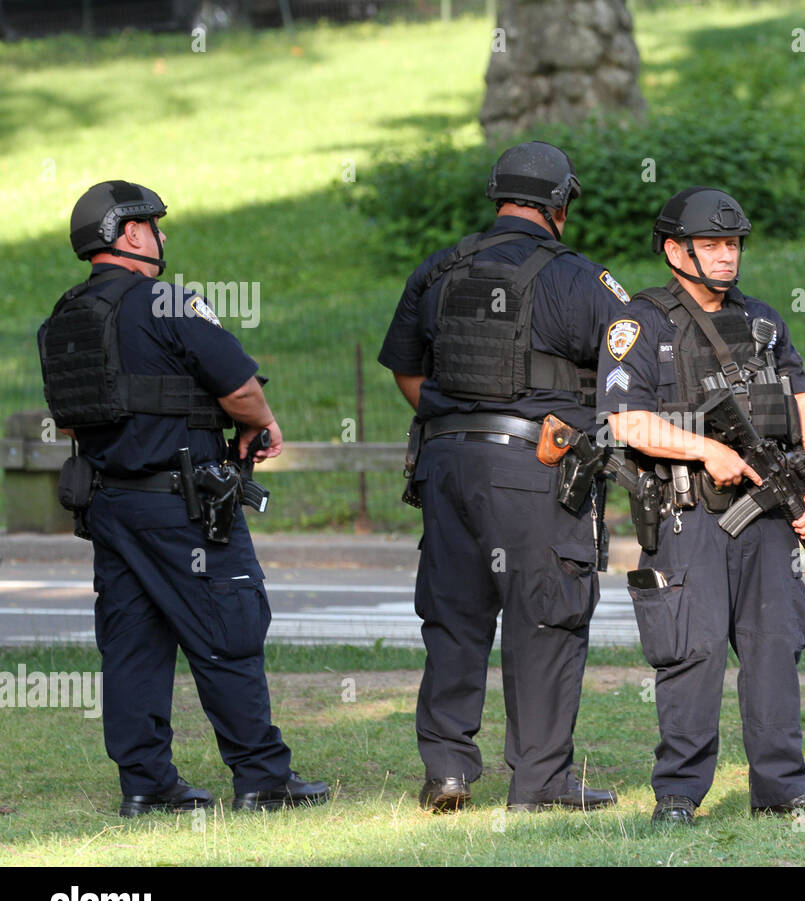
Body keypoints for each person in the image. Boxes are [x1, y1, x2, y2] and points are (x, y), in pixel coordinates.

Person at [37, 180, 329, 816]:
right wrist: (260, 424)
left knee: (132, 642)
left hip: (110, 507)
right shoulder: (166, 301)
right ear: (129, 233)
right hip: (184, 507)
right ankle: (262, 778)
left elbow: (69, 419)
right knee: (229, 626)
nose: (163, 236)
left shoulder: (65, 318)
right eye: (154, 226)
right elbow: (241, 391)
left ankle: (145, 785)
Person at [378, 141, 626, 812]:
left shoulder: (438, 270)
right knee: (545, 615)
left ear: (499, 199)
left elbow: (406, 371)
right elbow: (627, 377)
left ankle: (449, 770)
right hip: (534, 469)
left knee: (454, 615)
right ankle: (539, 782)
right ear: (560, 205)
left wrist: (461, 420)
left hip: (446, 464)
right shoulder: (580, 280)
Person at [599, 186, 805, 825]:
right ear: (674, 250)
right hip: (688, 516)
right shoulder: (641, 322)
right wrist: (704, 450)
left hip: (767, 515)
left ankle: (784, 790)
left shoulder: (764, 322)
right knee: (694, 649)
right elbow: (624, 421)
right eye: (711, 244)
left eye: (732, 244)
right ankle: (679, 795)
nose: (725, 256)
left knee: (774, 646)